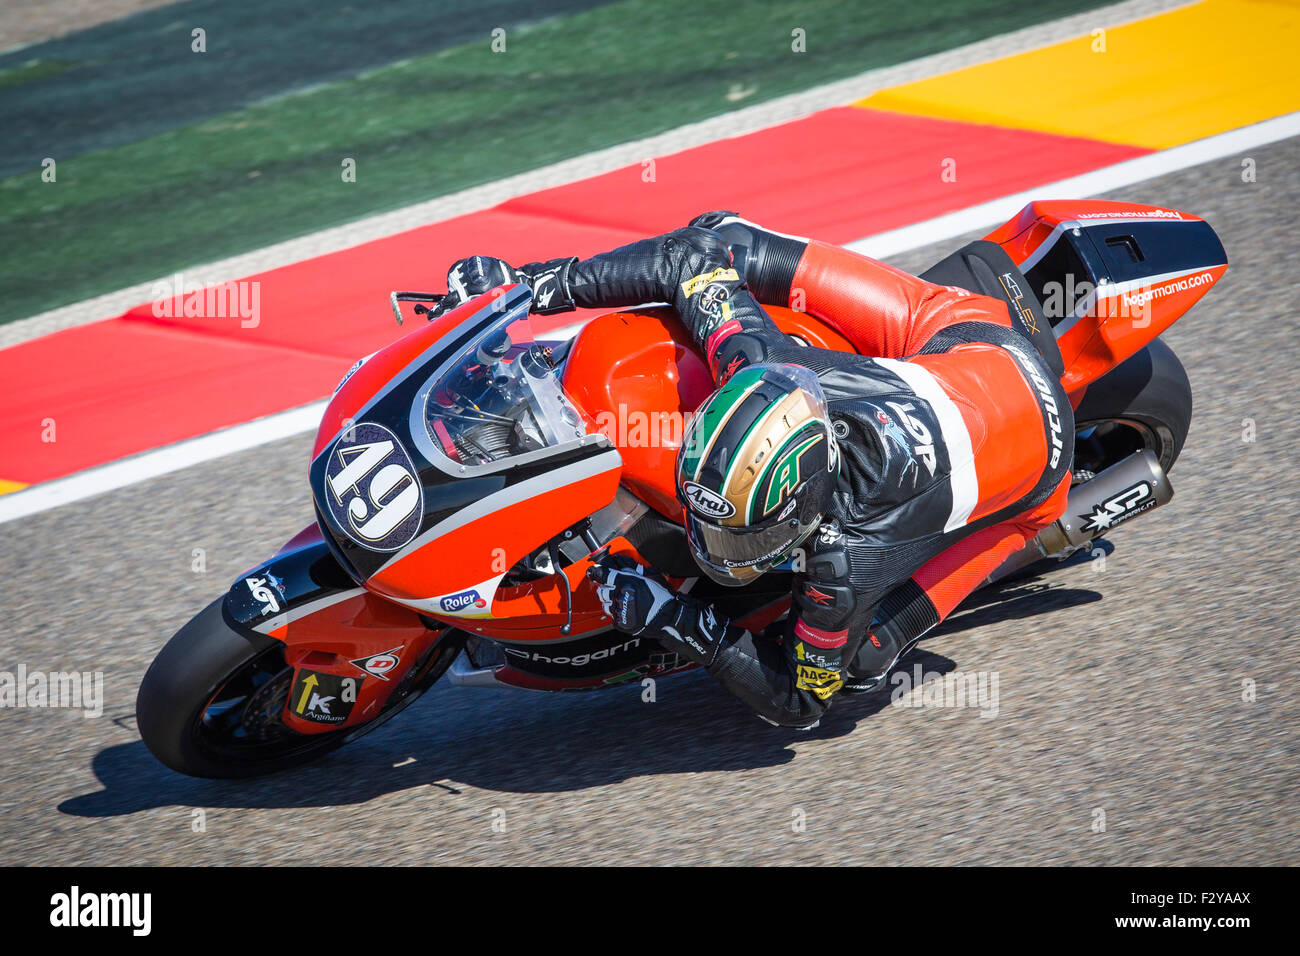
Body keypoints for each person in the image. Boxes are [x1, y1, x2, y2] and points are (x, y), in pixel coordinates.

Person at [432, 211, 1073, 727]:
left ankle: (1041, 533)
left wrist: (678, 619)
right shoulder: (755, 367)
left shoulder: (845, 565)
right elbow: (690, 256)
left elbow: (800, 702)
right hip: (965, 339)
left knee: (861, 662)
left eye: (748, 536)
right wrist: (523, 287)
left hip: (1042, 472)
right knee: (723, 235)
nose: (717, 550)